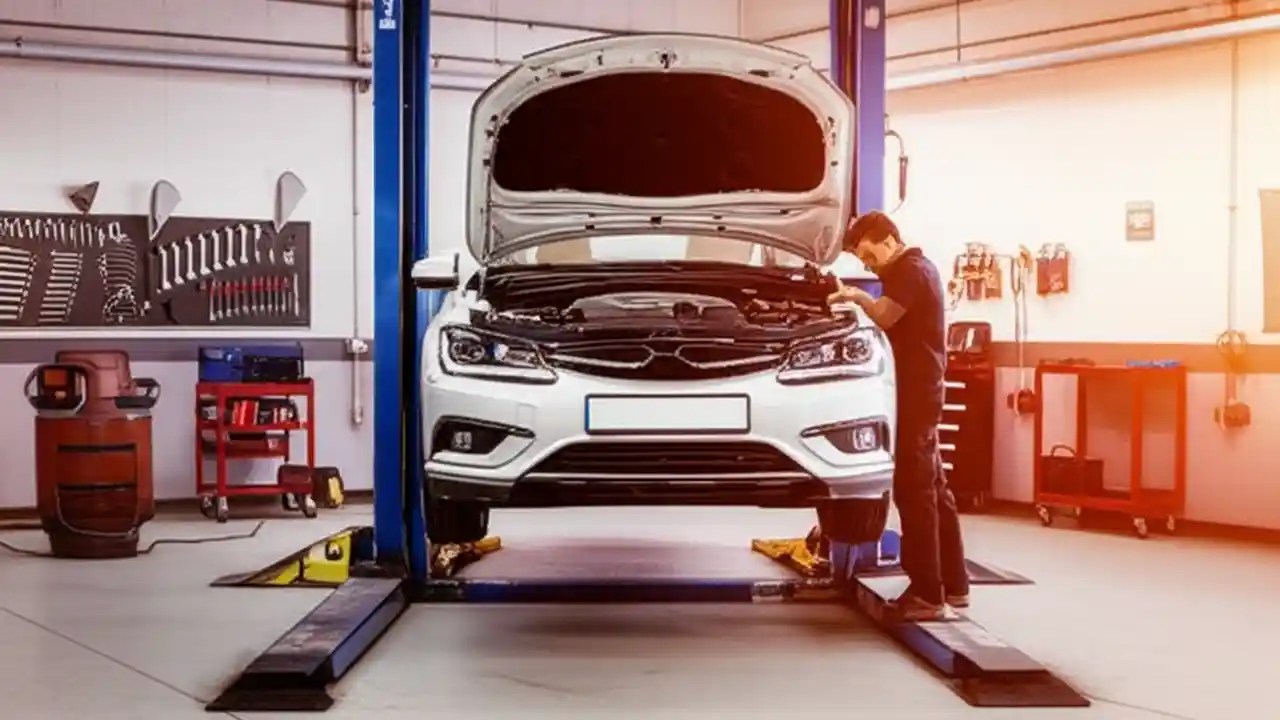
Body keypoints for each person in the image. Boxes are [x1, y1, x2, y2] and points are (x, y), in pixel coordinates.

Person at [826, 211, 970, 622]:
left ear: (887, 238)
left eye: (867, 254)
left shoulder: (909, 270)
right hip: (923, 392)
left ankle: (927, 593)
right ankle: (955, 585)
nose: (866, 263)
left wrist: (857, 298)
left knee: (914, 491)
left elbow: (886, 316)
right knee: (936, 489)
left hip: (914, 396)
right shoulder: (919, 268)